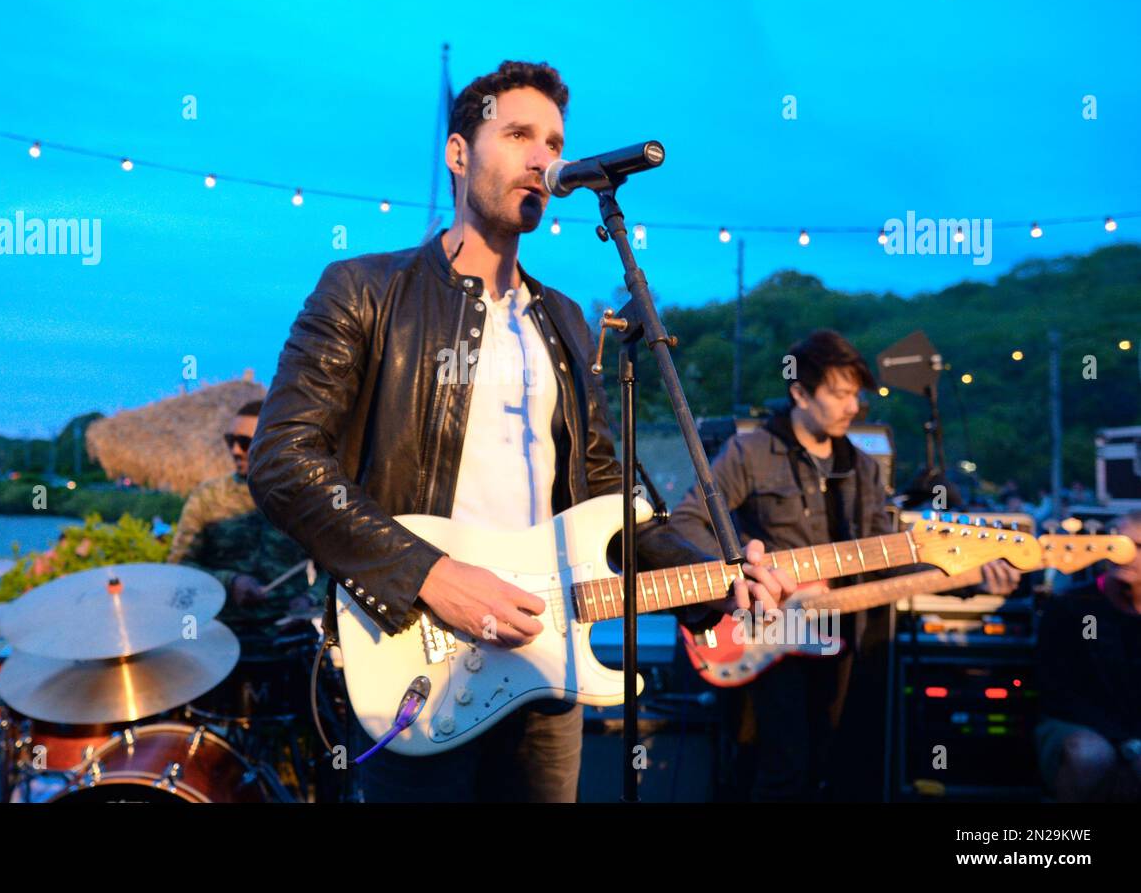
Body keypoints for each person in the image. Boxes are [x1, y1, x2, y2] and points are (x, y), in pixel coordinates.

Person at [246, 59, 791, 802]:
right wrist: (430, 577)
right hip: (416, 657)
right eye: (519, 134)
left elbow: (605, 494)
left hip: (549, 666)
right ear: (459, 153)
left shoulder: (565, 320)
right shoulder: (366, 291)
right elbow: (282, 461)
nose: (544, 157)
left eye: (555, 140)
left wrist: (718, 581)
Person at [668, 329, 1020, 801]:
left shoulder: (861, 467)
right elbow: (689, 520)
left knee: (832, 768)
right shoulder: (750, 453)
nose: (853, 406)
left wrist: (972, 577)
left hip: (841, 633)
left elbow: (890, 559)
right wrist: (736, 576)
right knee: (779, 770)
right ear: (799, 392)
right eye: (839, 393)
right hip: (766, 632)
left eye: (856, 393)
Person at [169, 400, 324, 643]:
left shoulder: (304, 499)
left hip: (288, 638)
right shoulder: (207, 497)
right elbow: (179, 567)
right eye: (230, 440)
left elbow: (333, 568)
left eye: (245, 442)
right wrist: (230, 582)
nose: (235, 451)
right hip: (221, 638)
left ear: (274, 442)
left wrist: (310, 599)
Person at [1035, 510, 1141, 801]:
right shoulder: (1070, 606)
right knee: (1089, 756)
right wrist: (1124, 743)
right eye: (1118, 543)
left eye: (1138, 546)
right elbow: (1056, 690)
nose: (1126, 554)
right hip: (1079, 726)